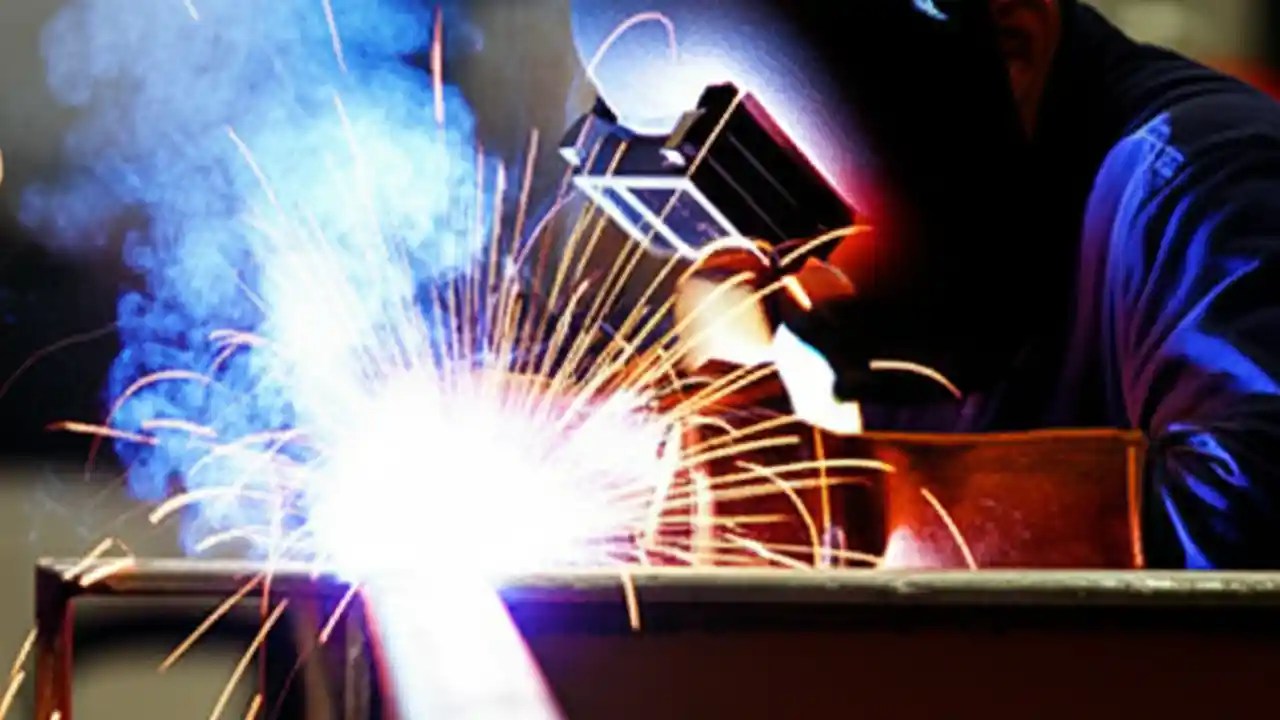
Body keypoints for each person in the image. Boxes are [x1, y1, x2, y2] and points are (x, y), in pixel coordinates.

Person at [569, 0, 1280, 569]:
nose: (791, 251)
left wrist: (845, 510)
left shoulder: (1202, 187)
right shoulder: (952, 229)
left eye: (800, 173)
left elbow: (1251, 512)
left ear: (1007, 45)